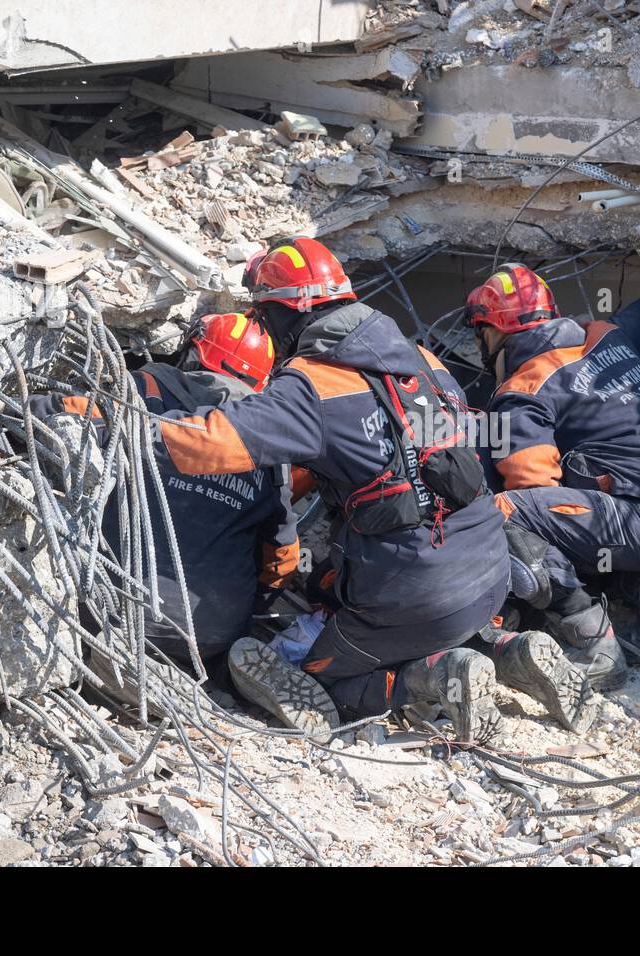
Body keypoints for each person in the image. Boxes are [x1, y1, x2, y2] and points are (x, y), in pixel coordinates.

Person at [153, 238, 536, 743]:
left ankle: (433, 677)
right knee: (333, 586)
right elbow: (400, 456)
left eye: (264, 317)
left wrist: (124, 422)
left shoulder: (311, 385)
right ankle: (505, 650)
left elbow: (211, 443)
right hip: (488, 572)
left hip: (415, 591)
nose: (264, 331)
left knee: (291, 668)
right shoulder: (425, 362)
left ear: (286, 313)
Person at [35, 312, 339, 735]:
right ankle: (225, 678)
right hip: (214, 628)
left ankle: (116, 665)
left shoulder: (143, 390)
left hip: (119, 606)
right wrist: (256, 607)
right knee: (215, 648)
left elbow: (59, 417)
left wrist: (10, 407)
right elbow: (282, 558)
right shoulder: (270, 447)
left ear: (194, 350)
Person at [466, 264, 640, 689]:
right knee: (589, 493)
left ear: (492, 333)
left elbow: (532, 491)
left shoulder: (523, 390)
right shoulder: (608, 335)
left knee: (508, 514)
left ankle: (593, 642)